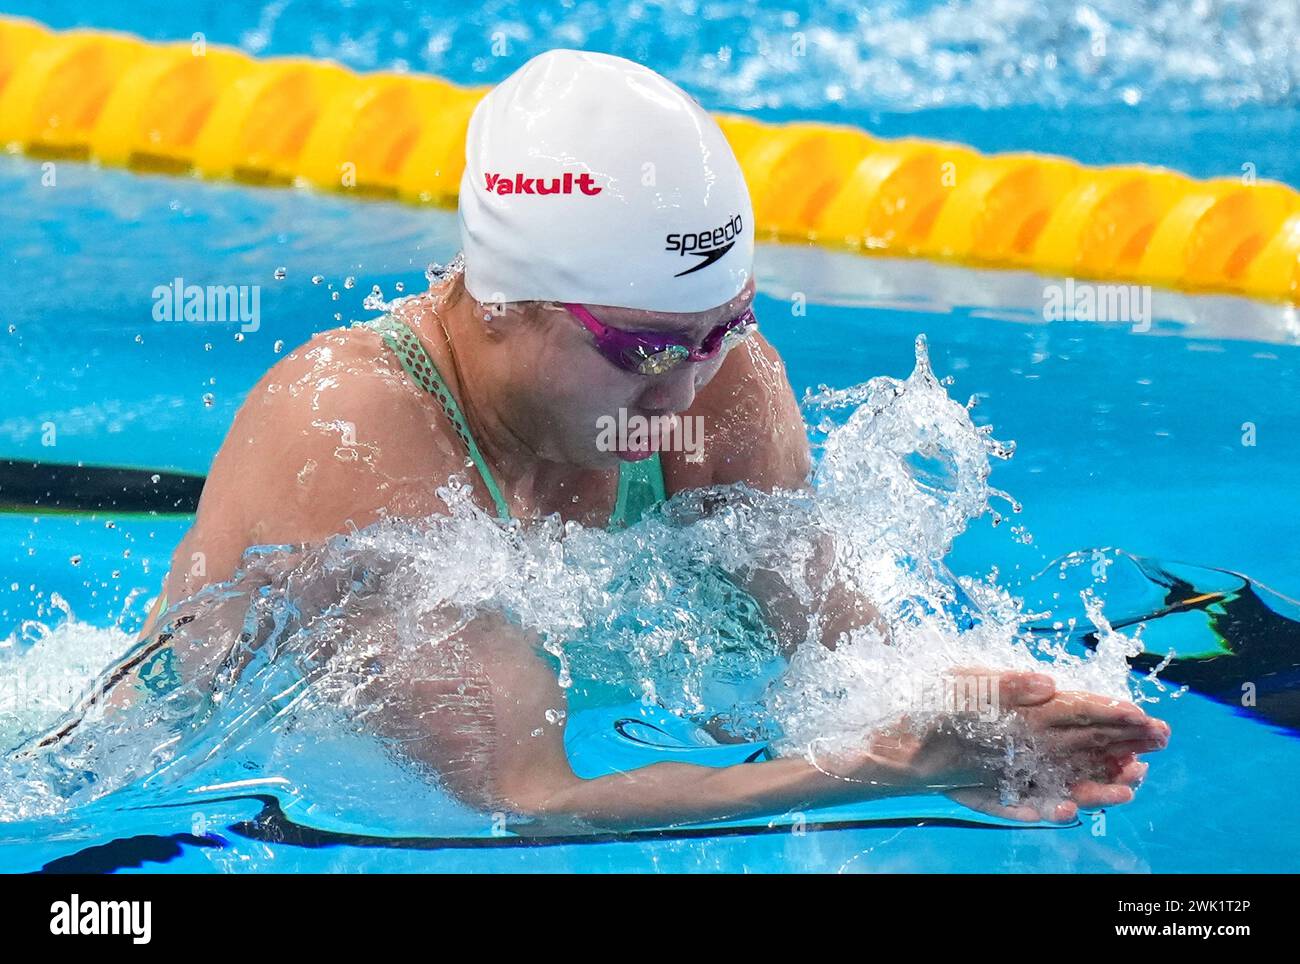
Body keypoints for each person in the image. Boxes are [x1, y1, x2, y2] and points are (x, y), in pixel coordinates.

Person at [112, 50, 1166, 830]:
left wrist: (976, 712)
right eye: (641, 348)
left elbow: (841, 653)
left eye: (726, 327)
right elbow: (521, 799)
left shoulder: (720, 378)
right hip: (178, 794)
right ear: (497, 303)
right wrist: (891, 768)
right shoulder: (352, 429)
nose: (688, 387)